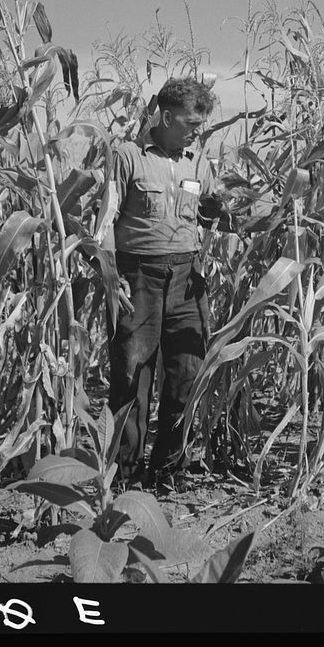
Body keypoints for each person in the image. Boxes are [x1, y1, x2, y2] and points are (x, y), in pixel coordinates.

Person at [106, 77, 229, 490]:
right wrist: (111, 280)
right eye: (192, 122)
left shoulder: (199, 163)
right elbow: (105, 223)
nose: (198, 130)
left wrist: (225, 210)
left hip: (187, 278)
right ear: (165, 116)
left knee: (187, 373)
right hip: (138, 276)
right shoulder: (128, 157)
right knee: (132, 374)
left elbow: (212, 216)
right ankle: (124, 474)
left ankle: (168, 471)